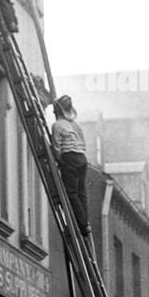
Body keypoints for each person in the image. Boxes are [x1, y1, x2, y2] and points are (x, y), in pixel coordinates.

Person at [50, 96, 91, 239]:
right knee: (81, 193)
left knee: (71, 193)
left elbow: (56, 147)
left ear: (58, 110)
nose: (53, 112)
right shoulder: (76, 125)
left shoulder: (57, 125)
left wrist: (59, 160)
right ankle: (85, 222)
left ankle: (82, 225)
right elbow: (83, 144)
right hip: (82, 159)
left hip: (70, 158)